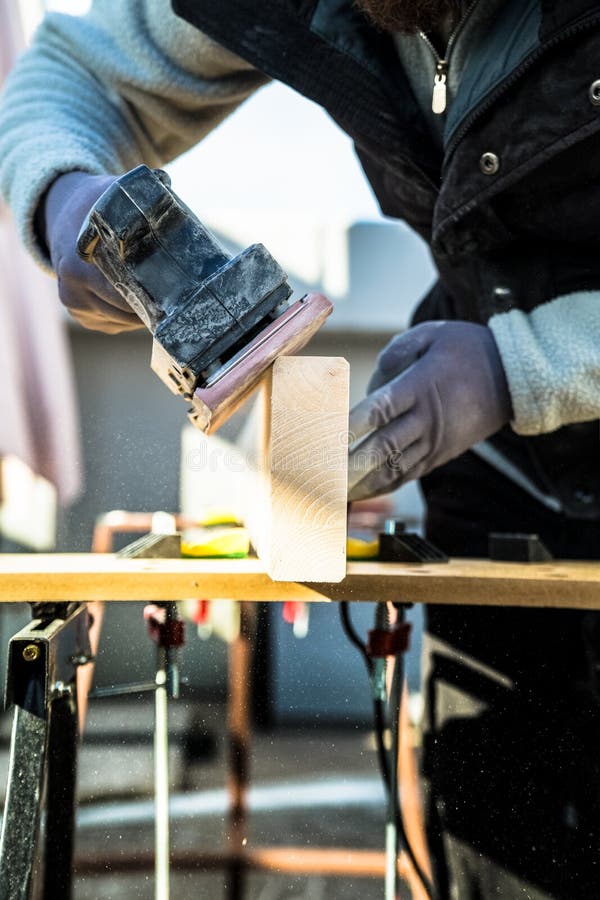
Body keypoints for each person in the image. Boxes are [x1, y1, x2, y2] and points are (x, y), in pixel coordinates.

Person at [1, 0, 600, 896]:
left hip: (503, 388)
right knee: (501, 845)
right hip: (500, 473)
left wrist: (530, 363)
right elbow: (70, 75)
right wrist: (65, 197)